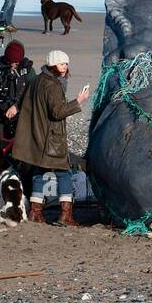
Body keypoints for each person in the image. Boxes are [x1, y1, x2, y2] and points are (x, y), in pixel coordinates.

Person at [12, 49, 90, 226]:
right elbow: (57, 112)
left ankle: (35, 212)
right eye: (62, 64)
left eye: (66, 64)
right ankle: (66, 215)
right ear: (53, 64)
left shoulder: (37, 80)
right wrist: (78, 101)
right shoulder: (52, 85)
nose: (65, 67)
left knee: (39, 173)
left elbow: (27, 104)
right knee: (64, 173)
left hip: (37, 137)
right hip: (51, 138)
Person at [0, 39, 35, 217]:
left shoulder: (29, 72)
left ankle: (28, 206)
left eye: (16, 62)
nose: (13, 65)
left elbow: (32, 96)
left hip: (22, 125)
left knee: (25, 166)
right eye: (10, 62)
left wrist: (17, 106)